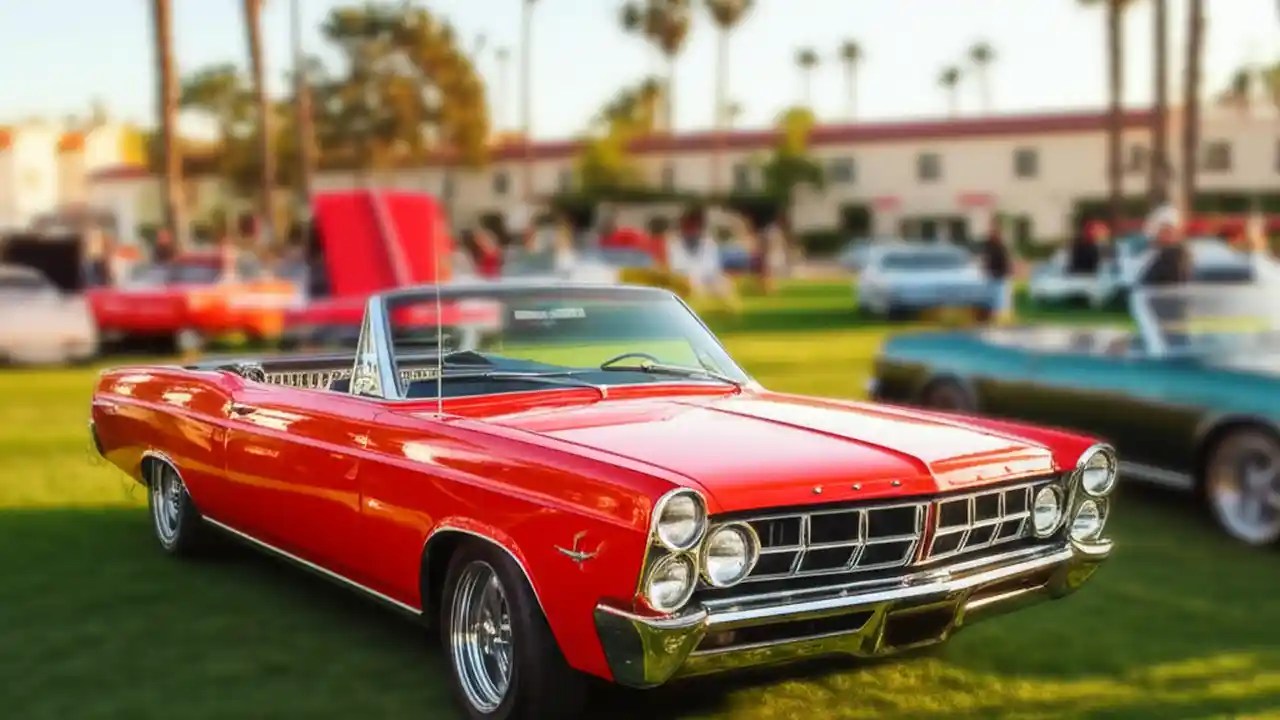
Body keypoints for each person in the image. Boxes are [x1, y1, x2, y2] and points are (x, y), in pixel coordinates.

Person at [980, 229, 1013, 323]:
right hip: (991, 277)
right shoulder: (989, 247)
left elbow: (1006, 262)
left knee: (1001, 300)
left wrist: (1007, 272)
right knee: (991, 299)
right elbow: (985, 260)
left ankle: (1001, 318)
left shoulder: (1001, 247)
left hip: (1000, 277)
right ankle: (991, 317)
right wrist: (985, 269)